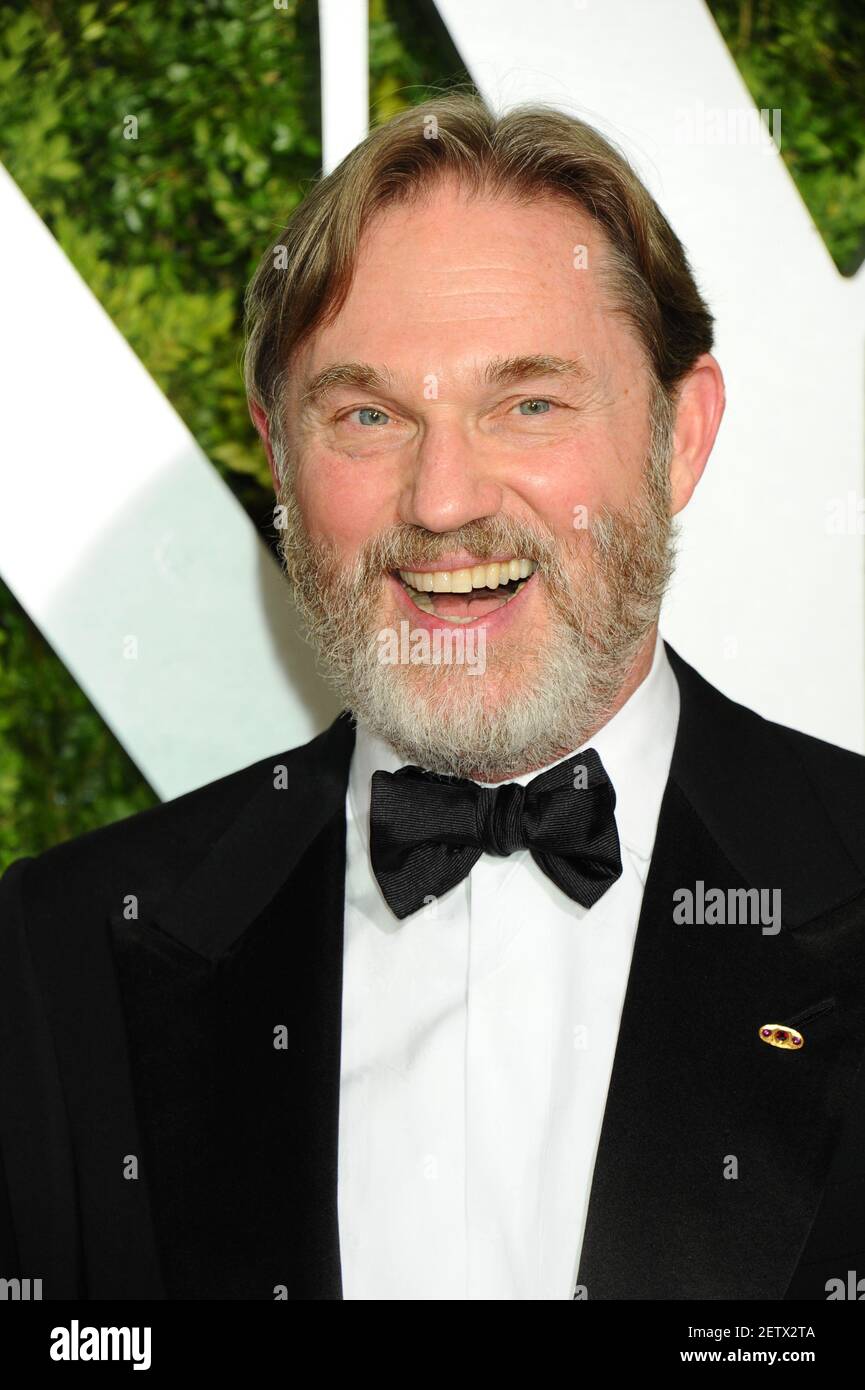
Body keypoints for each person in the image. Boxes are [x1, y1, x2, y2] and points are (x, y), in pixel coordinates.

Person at [2, 93, 864, 1302]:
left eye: (530, 403)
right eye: (367, 415)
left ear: (679, 434)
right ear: (281, 457)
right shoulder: (55, 962)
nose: (445, 499)